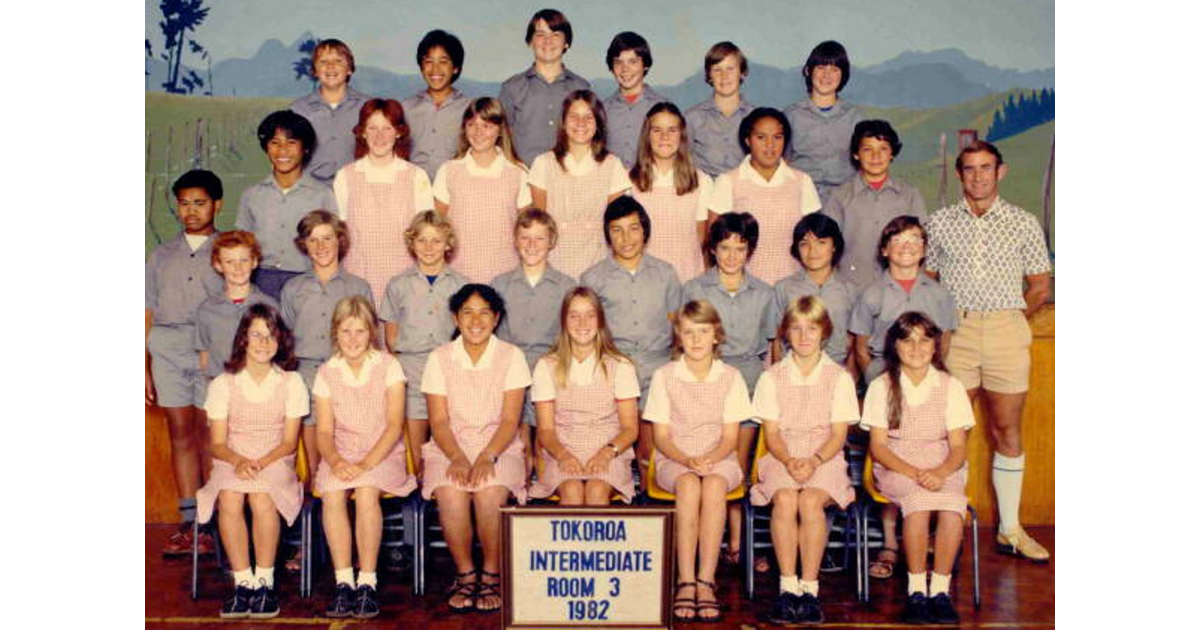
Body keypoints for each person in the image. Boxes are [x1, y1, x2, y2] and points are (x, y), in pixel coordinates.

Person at [925, 141, 1052, 561]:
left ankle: (1010, 529)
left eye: (985, 168)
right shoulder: (940, 222)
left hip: (1005, 328)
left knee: (1006, 431)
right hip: (955, 331)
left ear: (1001, 172)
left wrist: (1012, 315)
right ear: (959, 174)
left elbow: (1039, 284)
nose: (977, 176)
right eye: (969, 169)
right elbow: (926, 279)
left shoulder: (1022, 222)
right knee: (950, 433)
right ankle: (945, 527)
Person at [421, 284, 532, 613]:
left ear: (496, 318)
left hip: (500, 445)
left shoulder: (512, 356)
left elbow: (511, 419)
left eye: (485, 312)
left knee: (489, 491)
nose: (476, 320)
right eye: (467, 312)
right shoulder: (439, 358)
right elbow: (439, 422)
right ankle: (466, 574)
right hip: (449, 445)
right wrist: (456, 456)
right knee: (451, 491)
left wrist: (487, 456)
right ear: (455, 318)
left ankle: (492, 574)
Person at [861, 312, 975, 625]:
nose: (916, 347)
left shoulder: (950, 386)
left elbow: (959, 446)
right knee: (920, 505)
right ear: (894, 345)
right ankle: (915, 591)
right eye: (907, 339)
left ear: (936, 346)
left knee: (953, 506)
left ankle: (939, 590)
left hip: (942, 463)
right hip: (898, 464)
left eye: (924, 339)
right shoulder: (882, 386)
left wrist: (939, 472)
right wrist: (915, 473)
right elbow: (879, 448)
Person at [195, 304, 306, 619]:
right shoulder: (223, 384)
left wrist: (260, 462)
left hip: (276, 459)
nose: (263, 342)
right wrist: (240, 460)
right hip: (232, 458)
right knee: (229, 497)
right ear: (243, 339)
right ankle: (243, 583)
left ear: (280, 341)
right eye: (256, 334)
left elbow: (288, 442)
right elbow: (217, 443)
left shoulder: (291, 382)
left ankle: (264, 583)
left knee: (261, 497)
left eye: (270, 336)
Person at [751, 296, 858, 625]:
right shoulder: (772, 376)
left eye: (812, 328)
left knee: (810, 502)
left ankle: (809, 590)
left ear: (824, 332)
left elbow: (838, 434)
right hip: (782, 453)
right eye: (796, 328)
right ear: (785, 333)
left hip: (823, 455)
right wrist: (789, 459)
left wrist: (813, 460)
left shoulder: (838, 377)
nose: (804, 336)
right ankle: (787, 590)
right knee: (785, 499)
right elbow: (771, 434)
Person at [644, 300, 752, 623]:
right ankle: (685, 579)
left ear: (716, 335)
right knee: (689, 486)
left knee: (715, 484)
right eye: (688, 332)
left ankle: (707, 580)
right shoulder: (664, 376)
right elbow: (661, 437)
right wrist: (688, 460)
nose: (696, 340)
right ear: (678, 336)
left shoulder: (731, 377)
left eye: (703, 331)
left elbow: (731, 438)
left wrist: (710, 459)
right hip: (674, 458)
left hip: (720, 457)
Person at [682, 212, 775, 570]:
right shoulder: (694, 289)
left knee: (736, 464)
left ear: (749, 250)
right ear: (712, 249)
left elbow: (770, 344)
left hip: (749, 379)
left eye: (740, 248)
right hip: (706, 378)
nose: (732, 256)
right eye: (725, 247)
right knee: (704, 459)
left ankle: (738, 543)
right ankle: (707, 543)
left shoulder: (765, 292)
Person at [313, 296, 416, 619]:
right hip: (342, 455)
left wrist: (365, 465)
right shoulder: (326, 372)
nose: (353, 339)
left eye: (360, 331)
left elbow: (395, 424)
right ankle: (344, 582)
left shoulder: (388, 366)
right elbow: (324, 433)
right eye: (346, 331)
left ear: (371, 332)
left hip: (383, 453)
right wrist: (337, 461)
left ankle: (368, 582)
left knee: (367, 491)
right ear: (335, 333)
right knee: (331, 495)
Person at [146, 169, 226, 556]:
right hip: (168, 347)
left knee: (212, 434)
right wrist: (143, 363)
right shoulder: (160, 255)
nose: (191, 211)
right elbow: (146, 310)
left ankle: (216, 522)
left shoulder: (227, 251)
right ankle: (190, 521)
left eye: (200, 203)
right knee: (181, 433)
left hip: (212, 349)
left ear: (217, 205)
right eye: (184, 203)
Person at [581, 197, 682, 492]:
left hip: (658, 368)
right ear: (607, 234)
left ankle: (653, 511)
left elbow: (677, 329)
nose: (626, 238)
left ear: (645, 231)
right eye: (617, 230)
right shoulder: (593, 278)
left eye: (633, 228)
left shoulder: (666, 274)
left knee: (652, 453)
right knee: (614, 452)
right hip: (613, 371)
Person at [281, 210, 375, 488]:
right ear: (303, 245)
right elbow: (283, 339)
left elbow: (369, 337)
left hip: (348, 368)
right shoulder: (292, 288)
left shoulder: (358, 286)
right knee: (313, 444)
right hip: (306, 370)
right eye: (313, 240)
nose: (321, 247)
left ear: (340, 241)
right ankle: (316, 491)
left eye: (327, 238)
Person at [529, 287, 639, 504]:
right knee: (572, 491)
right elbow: (546, 430)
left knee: (596, 491)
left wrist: (606, 453)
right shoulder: (547, 365)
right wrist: (563, 455)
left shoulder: (620, 365)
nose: (582, 323)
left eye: (590, 315)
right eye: (574, 316)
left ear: (600, 321)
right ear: (564, 321)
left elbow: (630, 429)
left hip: (609, 452)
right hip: (562, 450)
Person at [381, 211, 469, 476]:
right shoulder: (398, 285)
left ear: (448, 244)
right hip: (413, 370)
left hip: (450, 369)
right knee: (415, 450)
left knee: (451, 439)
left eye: (436, 241)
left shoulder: (462, 284)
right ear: (412, 243)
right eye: (422, 240)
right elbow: (391, 335)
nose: (429, 247)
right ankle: (418, 491)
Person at [491, 210, 576, 471]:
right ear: (515, 240)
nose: (531, 245)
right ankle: (520, 487)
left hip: (552, 372)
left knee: (546, 444)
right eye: (525, 237)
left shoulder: (566, 286)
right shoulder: (499, 285)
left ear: (552, 241)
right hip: (510, 374)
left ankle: (544, 487)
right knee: (519, 444)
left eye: (539, 239)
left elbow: (572, 335)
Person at [333, 98, 435, 307]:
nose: (379, 136)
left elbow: (426, 234)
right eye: (372, 128)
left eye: (387, 128)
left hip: (404, 278)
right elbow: (339, 234)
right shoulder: (346, 176)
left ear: (398, 132)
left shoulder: (416, 176)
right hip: (358, 276)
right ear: (362, 132)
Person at [710, 107, 821, 285]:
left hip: (793, 283)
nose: (770, 145)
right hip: (743, 286)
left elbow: (813, 241)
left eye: (777, 137)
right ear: (747, 140)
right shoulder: (728, 181)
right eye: (761, 137)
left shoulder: (802, 181)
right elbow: (715, 242)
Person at [529, 90, 632, 279]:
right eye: (574, 117)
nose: (581, 124)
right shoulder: (543, 163)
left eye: (588, 117)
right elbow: (539, 224)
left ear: (598, 124)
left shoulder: (612, 165)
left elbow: (614, 224)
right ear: (563, 122)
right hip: (554, 261)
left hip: (598, 260)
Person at [236, 110, 338, 300]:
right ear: (266, 147)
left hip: (308, 281)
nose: (282, 151)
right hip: (260, 281)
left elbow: (333, 245)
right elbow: (242, 246)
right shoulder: (251, 196)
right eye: (275, 143)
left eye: (291, 143)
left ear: (305, 148)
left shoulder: (323, 195)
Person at [434, 97, 532, 283]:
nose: (478, 132)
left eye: (487, 126)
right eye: (472, 125)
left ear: (500, 131)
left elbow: (526, 229)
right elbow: (438, 228)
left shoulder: (518, 172)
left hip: (506, 272)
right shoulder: (449, 170)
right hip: (458, 273)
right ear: (464, 129)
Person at [821, 119, 926, 290]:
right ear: (856, 154)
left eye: (883, 149)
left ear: (892, 153)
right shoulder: (839, 196)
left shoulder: (909, 195)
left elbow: (922, 246)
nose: (875, 157)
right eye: (867, 149)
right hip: (851, 290)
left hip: (898, 291)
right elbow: (827, 247)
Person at [851, 215, 957, 383]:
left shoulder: (940, 294)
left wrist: (932, 375)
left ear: (924, 250)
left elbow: (944, 342)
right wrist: (876, 384)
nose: (907, 245)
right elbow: (861, 349)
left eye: (914, 239)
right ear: (884, 250)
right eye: (897, 239)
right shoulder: (871, 294)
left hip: (925, 373)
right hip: (884, 373)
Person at [629, 101, 713, 283]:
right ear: (647, 135)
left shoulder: (701, 181)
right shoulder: (629, 182)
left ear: (681, 136)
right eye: (657, 130)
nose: (664, 137)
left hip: (687, 277)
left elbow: (700, 239)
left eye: (672, 130)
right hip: (645, 279)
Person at [499, 8, 591, 163]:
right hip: (524, 178)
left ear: (566, 43)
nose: (548, 41)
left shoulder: (581, 88)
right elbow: (501, 138)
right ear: (530, 42)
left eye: (555, 35)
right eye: (540, 35)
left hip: (570, 178)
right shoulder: (512, 88)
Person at [194, 231, 280, 397]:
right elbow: (205, 356)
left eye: (244, 260)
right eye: (229, 261)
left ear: (254, 262)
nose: (238, 268)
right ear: (218, 265)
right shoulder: (207, 309)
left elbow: (278, 352)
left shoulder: (270, 306)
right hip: (221, 391)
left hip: (261, 391)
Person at [773, 214, 858, 379]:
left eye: (821, 242)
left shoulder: (850, 290)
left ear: (834, 246)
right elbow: (776, 337)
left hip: (836, 372)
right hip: (792, 372)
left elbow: (854, 340)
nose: (813, 251)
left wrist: (851, 376)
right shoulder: (784, 288)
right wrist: (778, 375)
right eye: (805, 244)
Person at [784, 41, 864, 205]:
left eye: (834, 70)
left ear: (843, 75)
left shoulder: (855, 118)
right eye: (821, 68)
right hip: (799, 200)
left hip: (845, 202)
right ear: (808, 70)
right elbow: (781, 163)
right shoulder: (791, 116)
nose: (827, 75)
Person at [291, 39, 371, 184]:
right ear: (314, 71)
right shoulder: (298, 110)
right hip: (312, 191)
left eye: (338, 61)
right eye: (323, 62)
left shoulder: (368, 107)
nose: (330, 67)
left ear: (350, 69)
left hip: (358, 188)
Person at [403, 29, 472, 180]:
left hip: (455, 190)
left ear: (455, 68)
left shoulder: (470, 108)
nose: (435, 69)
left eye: (443, 62)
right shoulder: (406, 108)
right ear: (421, 67)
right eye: (428, 62)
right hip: (413, 191)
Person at [684, 42, 755, 178]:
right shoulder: (692, 118)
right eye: (717, 70)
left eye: (730, 69)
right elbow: (681, 161)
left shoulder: (755, 118)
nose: (724, 76)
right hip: (704, 194)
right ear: (709, 75)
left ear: (742, 72)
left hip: (742, 194)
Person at [601, 31, 667, 168]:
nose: (625, 69)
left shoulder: (663, 108)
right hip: (612, 187)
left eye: (633, 61)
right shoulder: (602, 109)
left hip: (650, 186)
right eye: (618, 62)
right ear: (611, 68)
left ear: (645, 65)